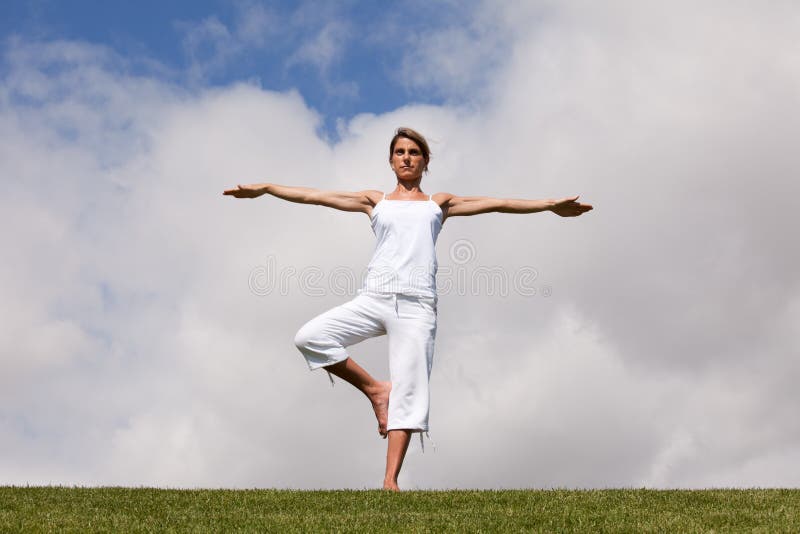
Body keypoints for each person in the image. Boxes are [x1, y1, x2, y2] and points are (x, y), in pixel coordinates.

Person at [223, 127, 593, 491]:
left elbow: (499, 203)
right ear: (390, 160)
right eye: (400, 152)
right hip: (374, 297)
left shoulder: (439, 204)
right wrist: (268, 189)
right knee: (310, 337)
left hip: (417, 305)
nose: (406, 158)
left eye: (414, 153)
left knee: (411, 392)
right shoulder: (375, 201)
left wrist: (548, 205)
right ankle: (375, 391)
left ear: (424, 162)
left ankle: (389, 481)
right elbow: (317, 196)